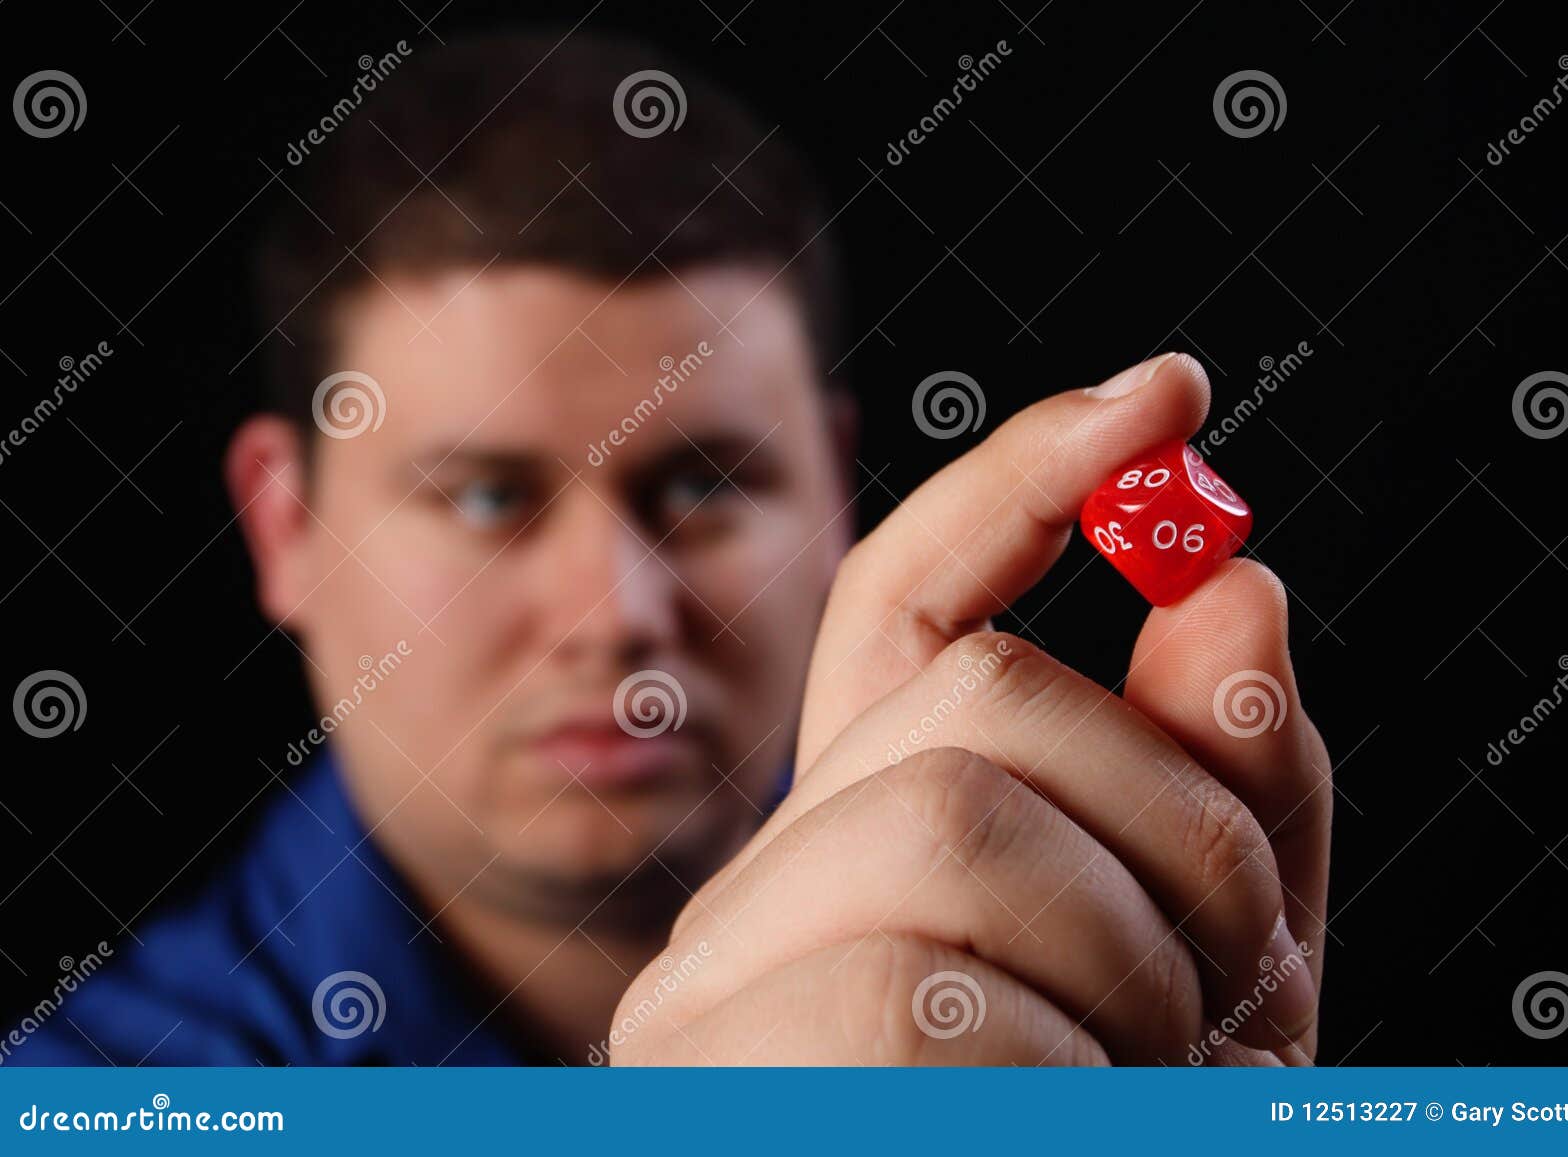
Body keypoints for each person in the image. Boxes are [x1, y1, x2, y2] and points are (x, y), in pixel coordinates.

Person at [11, 30, 1330, 1067]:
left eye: (705, 486)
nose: (617, 615)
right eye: (485, 500)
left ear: (833, 496)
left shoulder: (1169, 983)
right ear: (285, 525)